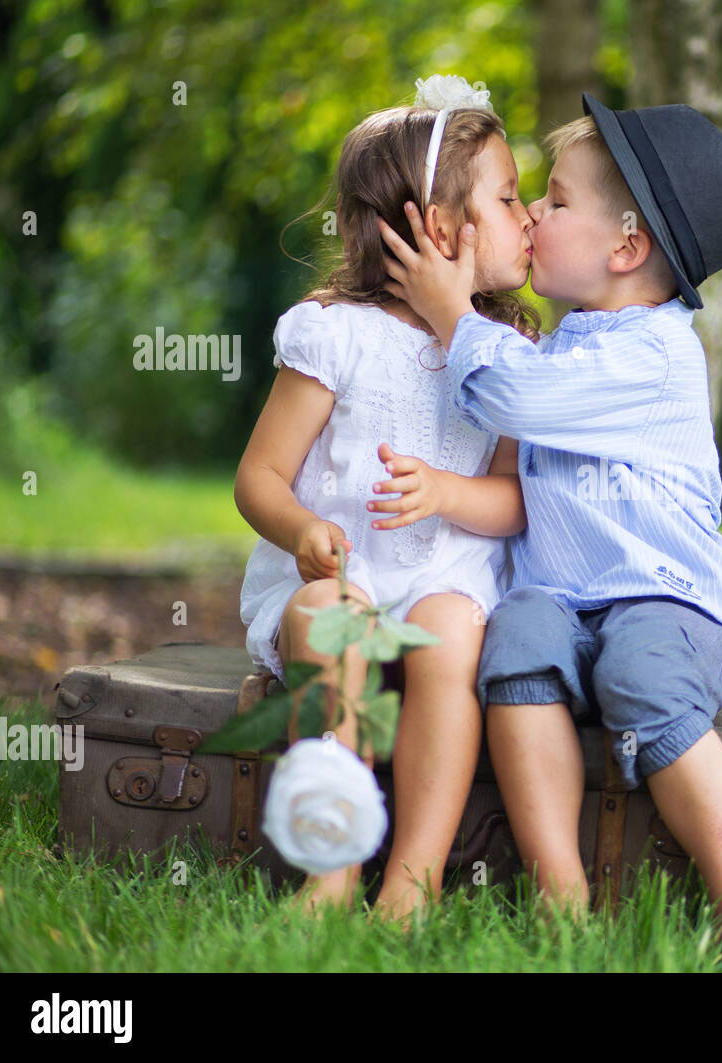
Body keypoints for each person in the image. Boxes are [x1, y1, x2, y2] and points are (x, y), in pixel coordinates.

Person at [377, 93, 722, 968]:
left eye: (554, 201)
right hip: (567, 603)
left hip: (672, 607)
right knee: (516, 636)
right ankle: (561, 889)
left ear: (626, 246)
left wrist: (452, 313)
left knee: (640, 670)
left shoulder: (654, 352)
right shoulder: (566, 341)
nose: (530, 213)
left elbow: (515, 397)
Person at [234, 77, 535, 922]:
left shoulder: (508, 348)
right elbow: (258, 476)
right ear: (439, 229)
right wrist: (302, 529)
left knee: (450, 634)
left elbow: (514, 501)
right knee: (330, 617)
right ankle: (331, 868)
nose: (530, 216)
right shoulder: (335, 334)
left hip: (447, 574)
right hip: (348, 568)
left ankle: (414, 877)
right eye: (510, 198)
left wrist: (445, 492)